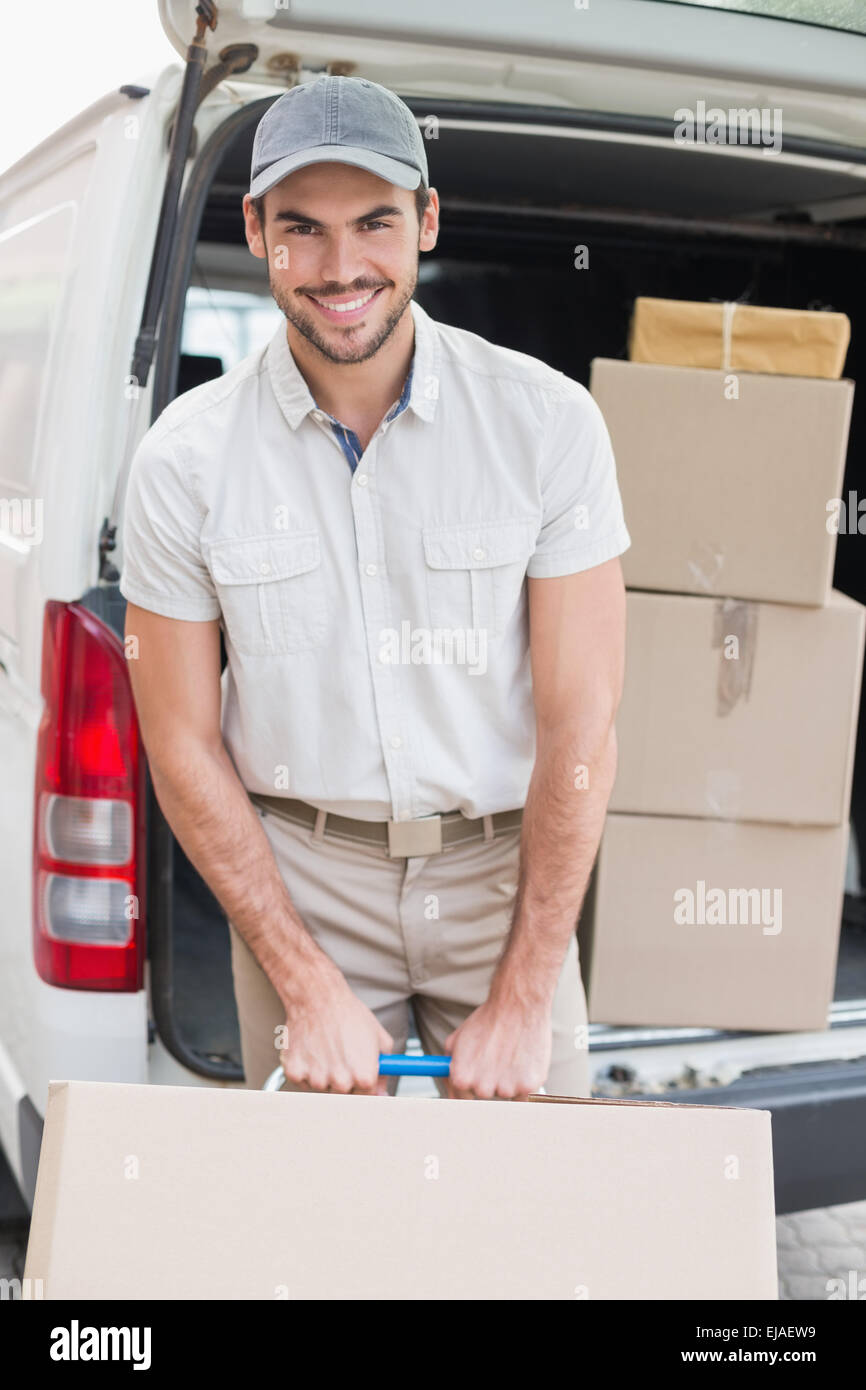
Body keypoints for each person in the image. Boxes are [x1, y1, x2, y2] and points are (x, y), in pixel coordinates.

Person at [121, 75, 630, 1102]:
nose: (340, 267)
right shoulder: (183, 460)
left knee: (532, 1229)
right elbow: (179, 743)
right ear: (255, 227)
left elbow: (580, 727)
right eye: (301, 228)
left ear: (426, 222)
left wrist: (525, 993)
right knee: (326, 1232)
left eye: (374, 223)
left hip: (502, 879)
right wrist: (303, 979)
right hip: (305, 884)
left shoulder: (546, 424)